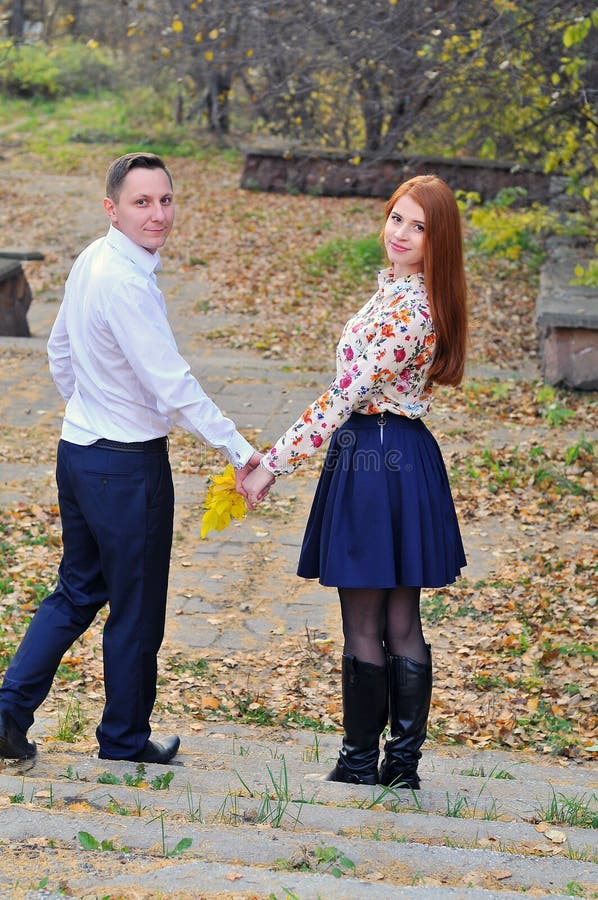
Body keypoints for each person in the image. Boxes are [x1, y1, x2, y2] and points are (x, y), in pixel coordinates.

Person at [0, 152, 261, 765]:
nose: (159, 213)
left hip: (80, 451)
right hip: (125, 466)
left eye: (166, 200)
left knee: (76, 590)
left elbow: (61, 349)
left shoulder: (95, 257)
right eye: (143, 202)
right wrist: (240, 450)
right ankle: (123, 739)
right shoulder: (123, 280)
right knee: (136, 608)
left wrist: (88, 404)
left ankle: (6, 714)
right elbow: (172, 384)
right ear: (112, 209)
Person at [243, 174, 468, 788]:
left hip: (379, 458)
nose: (401, 233)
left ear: (437, 239)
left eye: (418, 226)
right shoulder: (398, 293)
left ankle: (368, 763)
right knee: (395, 619)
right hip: (397, 455)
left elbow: (345, 396)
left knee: (376, 623)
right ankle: (390, 765)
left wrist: (272, 463)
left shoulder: (409, 309)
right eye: (398, 217)